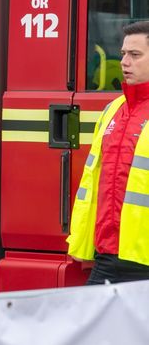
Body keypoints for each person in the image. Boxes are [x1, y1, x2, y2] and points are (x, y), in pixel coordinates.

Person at [68, 21, 149, 284]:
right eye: (123, 53)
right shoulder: (113, 109)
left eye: (135, 55)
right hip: (108, 256)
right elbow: (92, 183)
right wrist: (83, 242)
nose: (124, 62)